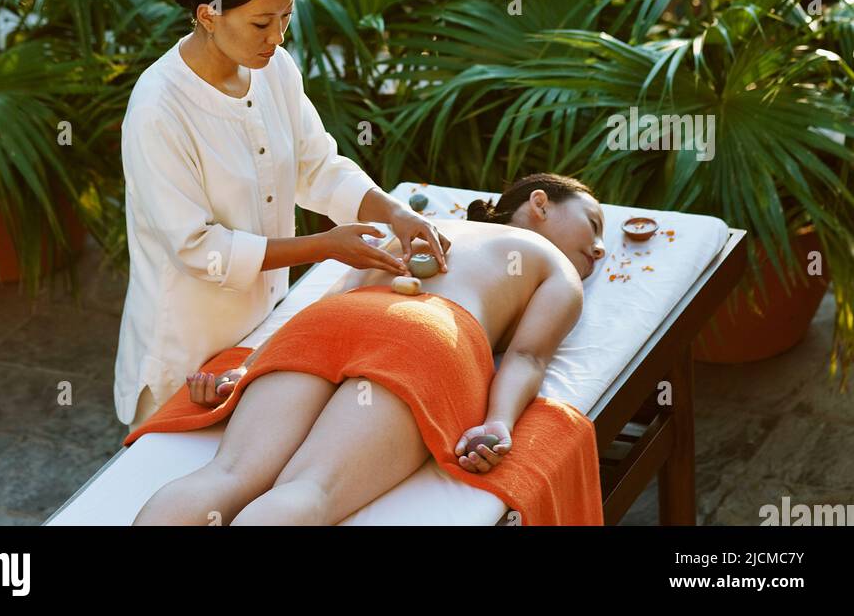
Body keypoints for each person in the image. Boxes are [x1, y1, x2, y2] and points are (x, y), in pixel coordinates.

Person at [113, 0, 450, 432]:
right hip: (187, 341)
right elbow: (198, 248)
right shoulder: (159, 109)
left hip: (266, 323)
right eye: (261, 23)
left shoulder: (273, 68)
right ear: (209, 15)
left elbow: (315, 165)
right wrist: (324, 245)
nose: (278, 38)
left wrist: (395, 212)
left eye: (286, 19)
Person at [132, 172, 606, 526]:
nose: (601, 247)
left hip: (331, 322)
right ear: (539, 203)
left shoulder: (421, 225)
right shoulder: (553, 265)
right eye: (594, 224)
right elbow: (526, 358)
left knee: (229, 475)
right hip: (423, 334)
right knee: (310, 489)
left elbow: (334, 298)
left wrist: (249, 367)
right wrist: (497, 421)